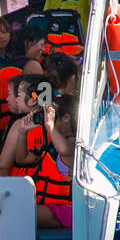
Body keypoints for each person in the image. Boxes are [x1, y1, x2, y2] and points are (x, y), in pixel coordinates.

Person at [0, 74, 54, 176]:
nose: (16, 99)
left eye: (18, 95)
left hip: (22, 185)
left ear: (33, 100)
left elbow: (3, 166)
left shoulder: (19, 125)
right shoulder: (57, 123)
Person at [34, 96, 77, 230]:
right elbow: (22, 158)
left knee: (22, 213)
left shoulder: (74, 144)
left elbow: (65, 150)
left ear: (65, 118)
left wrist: (50, 126)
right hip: (52, 207)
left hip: (67, 211)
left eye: (53, 118)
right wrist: (23, 132)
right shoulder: (55, 143)